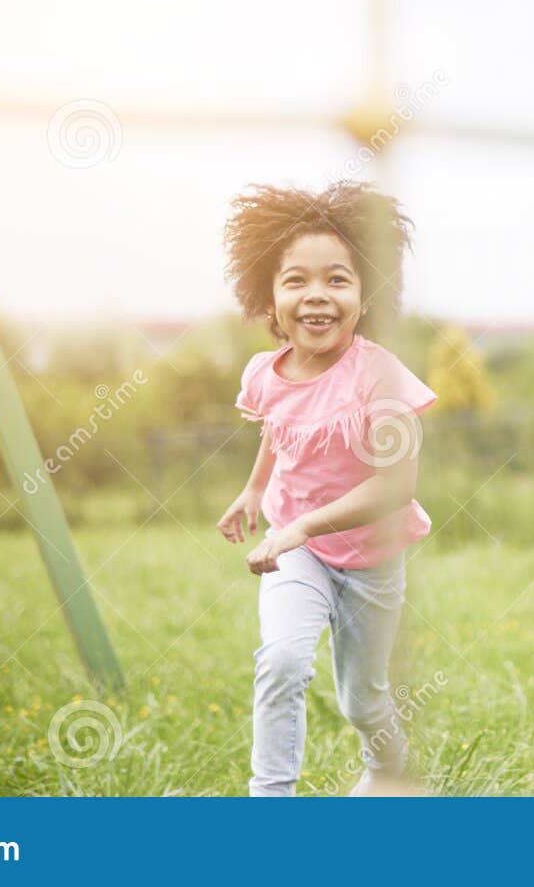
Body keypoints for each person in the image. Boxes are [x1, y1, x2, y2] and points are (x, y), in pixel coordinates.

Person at [218, 181, 436, 796]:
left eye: (338, 279)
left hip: (372, 557)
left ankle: (388, 773)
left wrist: (302, 525)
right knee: (283, 661)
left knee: (363, 702)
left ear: (367, 295)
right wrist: (255, 491)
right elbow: (279, 431)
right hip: (299, 552)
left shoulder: (380, 377)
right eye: (296, 280)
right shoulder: (265, 373)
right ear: (269, 295)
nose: (317, 295)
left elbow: (397, 484)